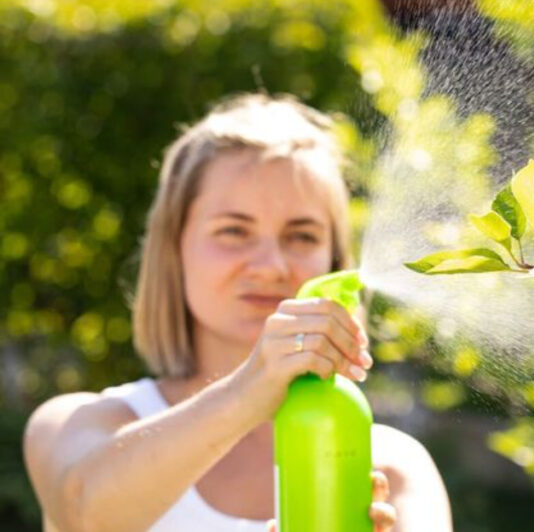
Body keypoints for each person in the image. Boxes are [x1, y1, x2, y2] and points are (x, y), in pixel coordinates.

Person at [22, 93, 453, 532]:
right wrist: (250, 388)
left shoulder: (388, 468)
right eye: (233, 231)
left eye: (302, 236)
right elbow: (86, 514)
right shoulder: (81, 423)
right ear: (175, 249)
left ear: (333, 260)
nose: (271, 267)